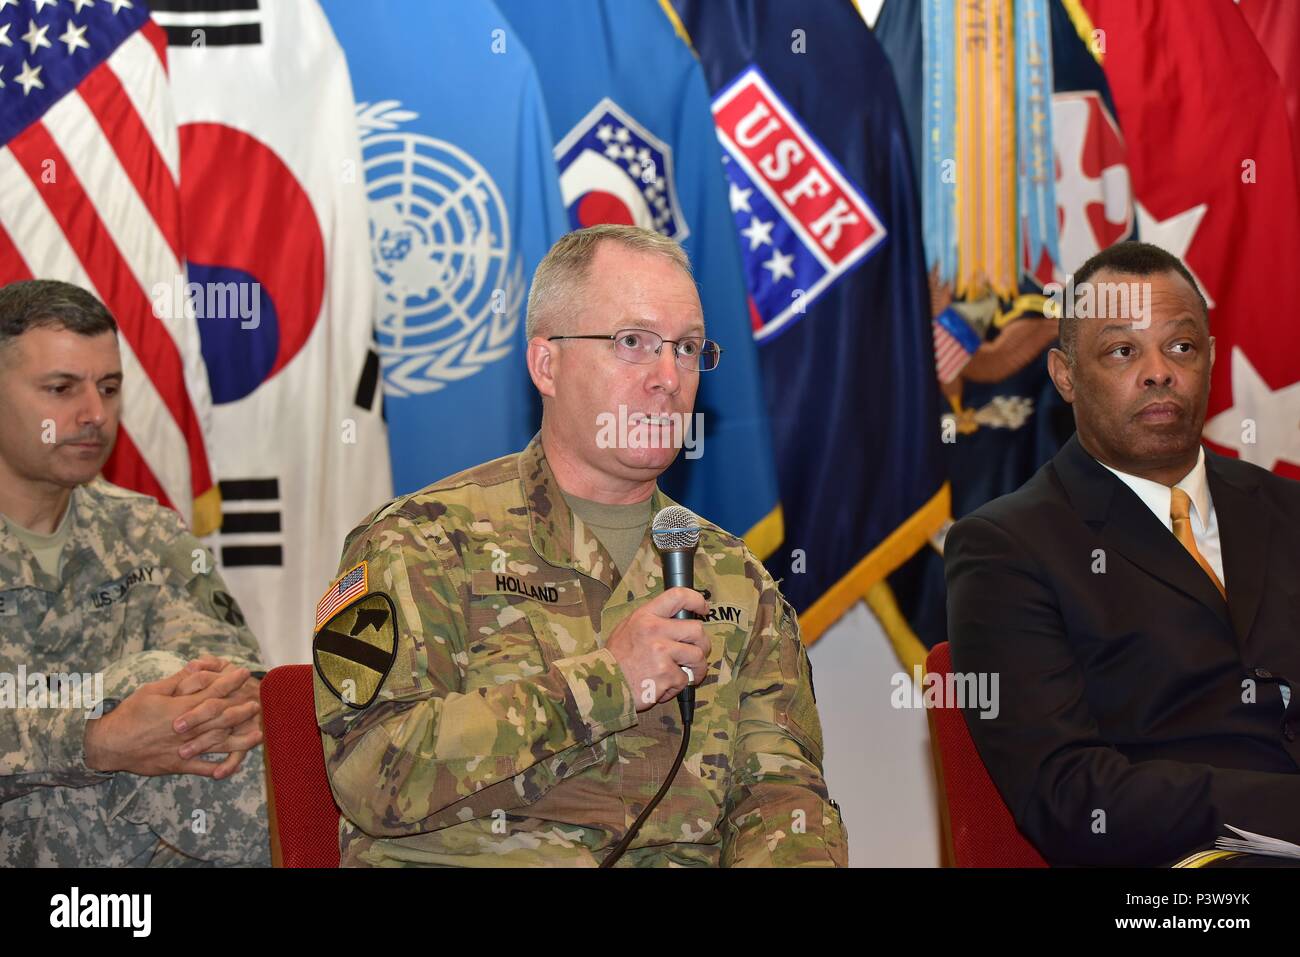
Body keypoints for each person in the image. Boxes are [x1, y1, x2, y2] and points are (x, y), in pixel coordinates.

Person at [313, 224, 846, 867]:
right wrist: (605, 680)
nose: (667, 377)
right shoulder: (417, 542)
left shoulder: (734, 576)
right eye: (632, 342)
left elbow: (783, 796)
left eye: (687, 349)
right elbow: (371, 774)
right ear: (547, 364)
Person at [945, 241, 1300, 866]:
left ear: (1210, 359)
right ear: (1065, 376)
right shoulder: (1004, 547)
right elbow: (1067, 795)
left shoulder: (1287, 509)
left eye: (1181, 347)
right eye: (1122, 351)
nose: (1159, 371)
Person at [0, 279, 269, 867]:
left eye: (109, 387)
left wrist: (195, 710)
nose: (94, 413)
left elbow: (237, 682)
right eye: (61, 388)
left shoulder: (145, 531)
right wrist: (99, 736)